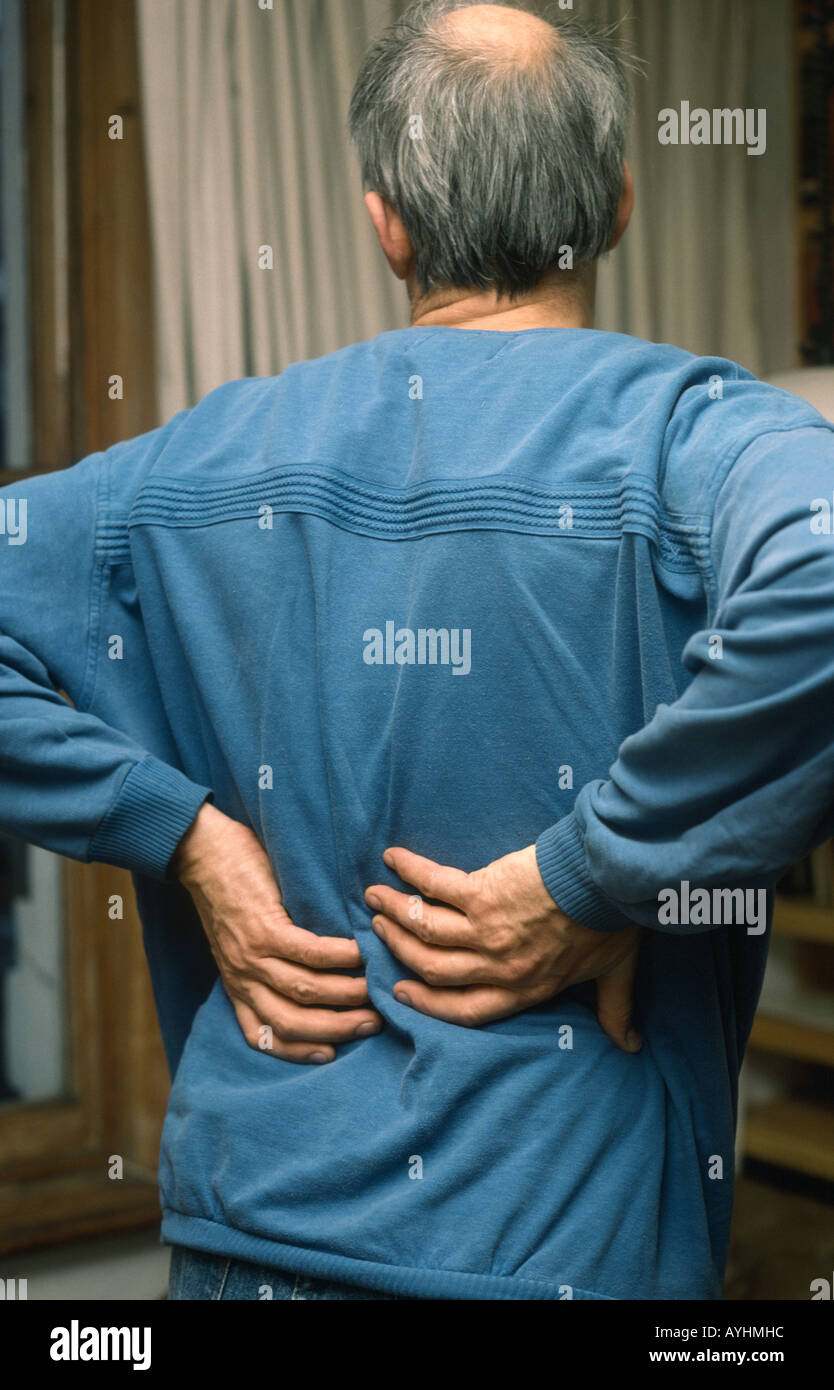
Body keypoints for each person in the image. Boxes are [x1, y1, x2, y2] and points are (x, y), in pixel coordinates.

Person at [2, 0, 833, 1301]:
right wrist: (599, 873)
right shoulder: (698, 439)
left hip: (247, 1243)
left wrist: (177, 831)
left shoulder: (211, 452)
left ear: (384, 217)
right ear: (615, 204)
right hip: (569, 1240)